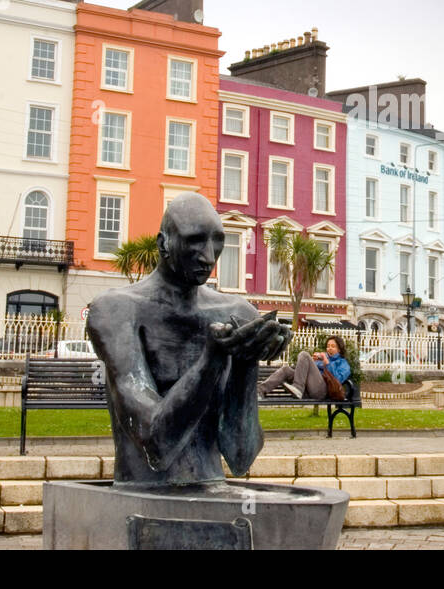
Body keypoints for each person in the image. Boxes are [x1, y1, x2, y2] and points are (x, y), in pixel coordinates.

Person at [87, 193, 291, 484]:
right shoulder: (117, 310)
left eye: (217, 241)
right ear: (163, 244)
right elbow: (155, 444)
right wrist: (211, 361)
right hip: (144, 494)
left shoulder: (237, 311)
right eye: (195, 240)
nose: (209, 257)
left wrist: (246, 364)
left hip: (212, 489)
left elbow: (240, 457)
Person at [258, 335, 351, 400]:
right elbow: (305, 373)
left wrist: (326, 362)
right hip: (308, 389)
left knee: (304, 354)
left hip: (322, 391)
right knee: (286, 370)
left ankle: (298, 388)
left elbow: (337, 379)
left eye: (333, 346)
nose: (329, 348)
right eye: (328, 346)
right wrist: (312, 362)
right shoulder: (322, 359)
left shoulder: (344, 364)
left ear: (339, 349)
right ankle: (259, 392)